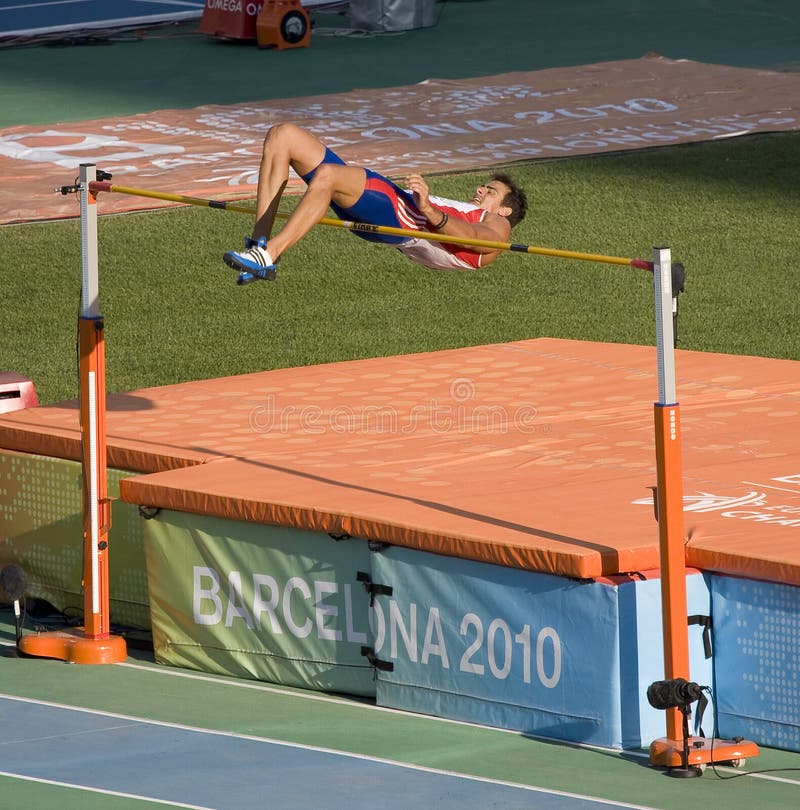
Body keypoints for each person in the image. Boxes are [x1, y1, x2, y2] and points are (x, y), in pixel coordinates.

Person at [223, 123, 528, 283]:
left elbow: (478, 240)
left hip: (397, 215)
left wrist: (429, 210)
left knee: (328, 175)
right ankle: (259, 246)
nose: (480, 189)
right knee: (283, 135)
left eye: (490, 190)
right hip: (390, 208)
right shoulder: (467, 211)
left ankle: (270, 254)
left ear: (505, 209)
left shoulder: (498, 224)